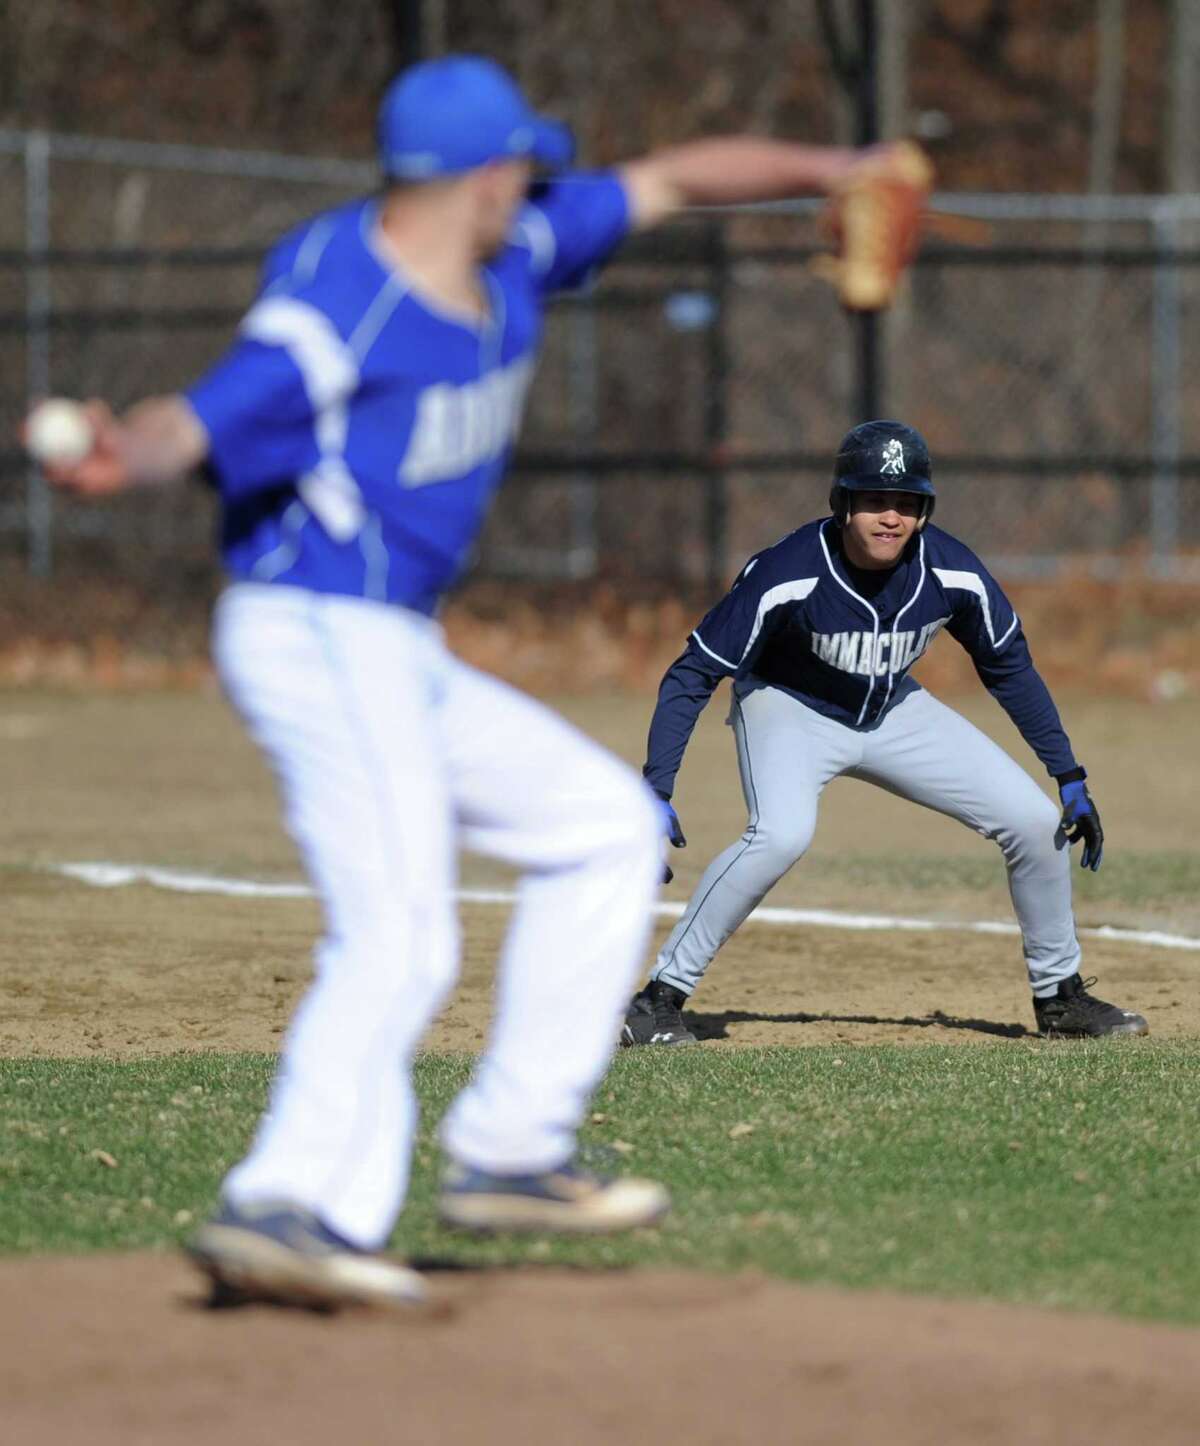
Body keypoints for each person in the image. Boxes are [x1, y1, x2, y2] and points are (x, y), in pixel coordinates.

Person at [29, 55, 907, 1311]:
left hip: (395, 646)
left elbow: (667, 178)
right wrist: (128, 451)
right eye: (517, 163)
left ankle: (510, 1150)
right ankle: (290, 1200)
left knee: (605, 832)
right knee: (398, 932)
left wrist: (836, 169)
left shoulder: (520, 252)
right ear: (476, 174)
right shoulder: (344, 310)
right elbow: (205, 418)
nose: (534, 183)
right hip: (312, 627)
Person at [624, 419, 1148, 1047]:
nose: (890, 517)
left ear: (924, 512)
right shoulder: (789, 571)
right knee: (781, 834)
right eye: (873, 499)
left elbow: (1009, 668)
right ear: (842, 505)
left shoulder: (952, 571)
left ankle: (1060, 999)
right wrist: (655, 787)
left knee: (1037, 825)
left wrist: (1069, 775)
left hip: (893, 707)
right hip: (788, 705)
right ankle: (656, 1001)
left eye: (906, 503)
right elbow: (693, 672)